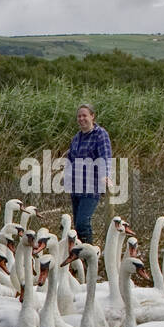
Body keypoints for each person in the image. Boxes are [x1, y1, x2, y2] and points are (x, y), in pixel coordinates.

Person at [62, 103, 112, 244]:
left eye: (84, 115)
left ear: (92, 116)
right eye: (79, 116)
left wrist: (105, 174)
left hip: (92, 187)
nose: (81, 119)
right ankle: (80, 257)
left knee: (83, 223)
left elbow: (105, 156)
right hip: (76, 187)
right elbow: (70, 160)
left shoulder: (100, 135)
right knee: (77, 225)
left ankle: (89, 254)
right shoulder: (77, 138)